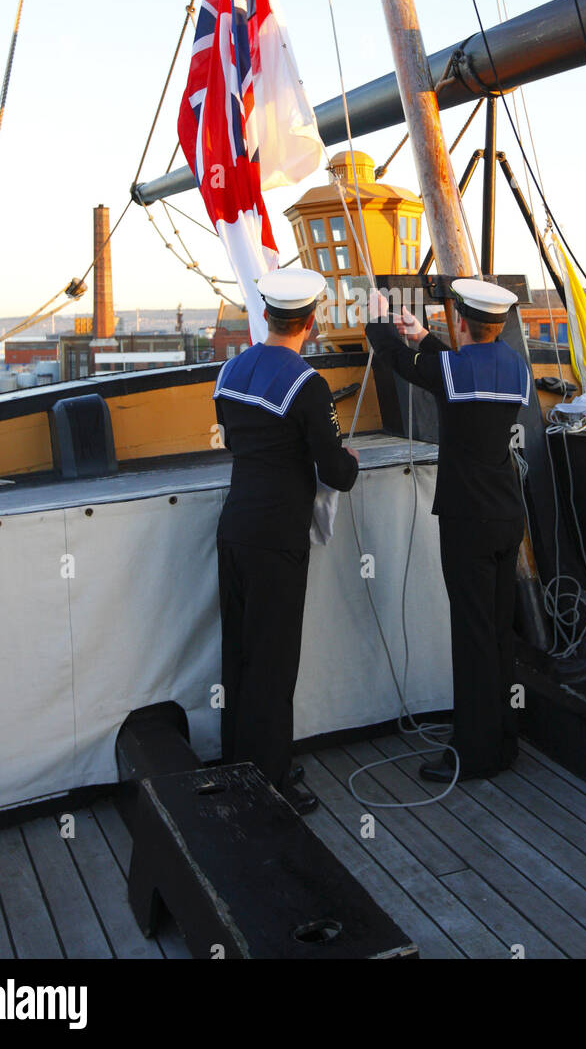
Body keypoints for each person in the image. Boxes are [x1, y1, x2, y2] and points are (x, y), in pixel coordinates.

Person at [365, 278, 530, 783]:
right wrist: (421, 334)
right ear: (498, 324)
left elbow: (399, 363)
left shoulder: (451, 369)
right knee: (499, 632)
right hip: (507, 515)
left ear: (461, 321)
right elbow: (451, 369)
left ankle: (473, 753)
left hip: (468, 520)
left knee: (472, 635)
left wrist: (377, 320)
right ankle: (502, 740)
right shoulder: (516, 367)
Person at [214, 268, 359, 814]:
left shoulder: (230, 371)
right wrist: (349, 461)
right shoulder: (308, 384)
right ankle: (269, 781)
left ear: (268, 315)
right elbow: (336, 472)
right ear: (313, 320)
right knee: (274, 664)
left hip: (234, 530)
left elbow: (233, 439)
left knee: (240, 655)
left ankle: (237, 764)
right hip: (277, 539)